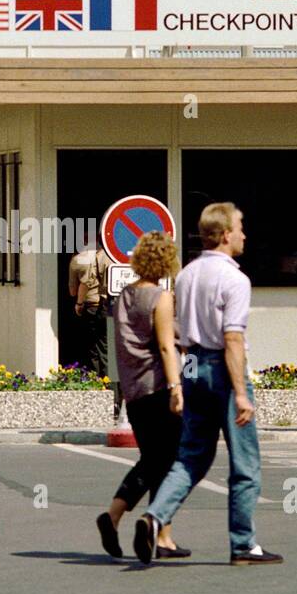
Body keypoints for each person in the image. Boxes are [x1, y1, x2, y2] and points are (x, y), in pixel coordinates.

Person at [134, 203, 281, 566]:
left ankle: (155, 516)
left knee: (191, 456)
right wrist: (241, 394)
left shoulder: (186, 275)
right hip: (221, 368)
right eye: (240, 228)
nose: (244, 235)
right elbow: (232, 338)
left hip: (193, 364)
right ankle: (243, 544)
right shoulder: (235, 280)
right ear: (226, 234)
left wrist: (181, 384)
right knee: (245, 462)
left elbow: (183, 335)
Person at [96, 231, 187, 560]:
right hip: (158, 388)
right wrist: (176, 387)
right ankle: (157, 532)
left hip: (132, 390)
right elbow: (164, 346)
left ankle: (122, 519)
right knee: (169, 461)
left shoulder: (124, 296)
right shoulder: (160, 298)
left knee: (153, 460)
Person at [68, 239, 111, 375]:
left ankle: (98, 380)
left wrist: (79, 304)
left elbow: (75, 290)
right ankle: (109, 381)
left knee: (93, 348)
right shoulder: (111, 257)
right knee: (106, 346)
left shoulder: (78, 260)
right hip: (111, 304)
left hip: (91, 306)